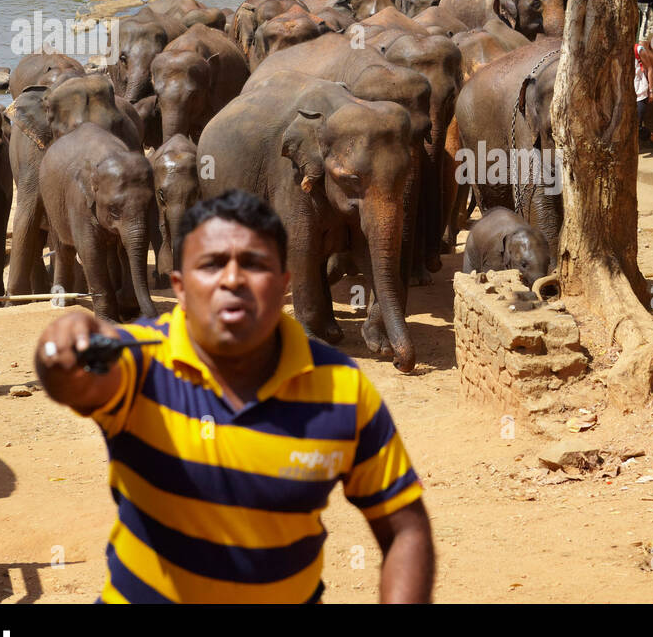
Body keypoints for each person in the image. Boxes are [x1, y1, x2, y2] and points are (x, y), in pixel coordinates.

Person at [33, 189, 435, 603]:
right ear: (181, 288)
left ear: (284, 284)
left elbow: (404, 526)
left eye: (254, 264)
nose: (232, 279)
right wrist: (58, 351)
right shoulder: (142, 366)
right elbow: (74, 382)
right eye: (210, 265)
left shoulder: (339, 389)